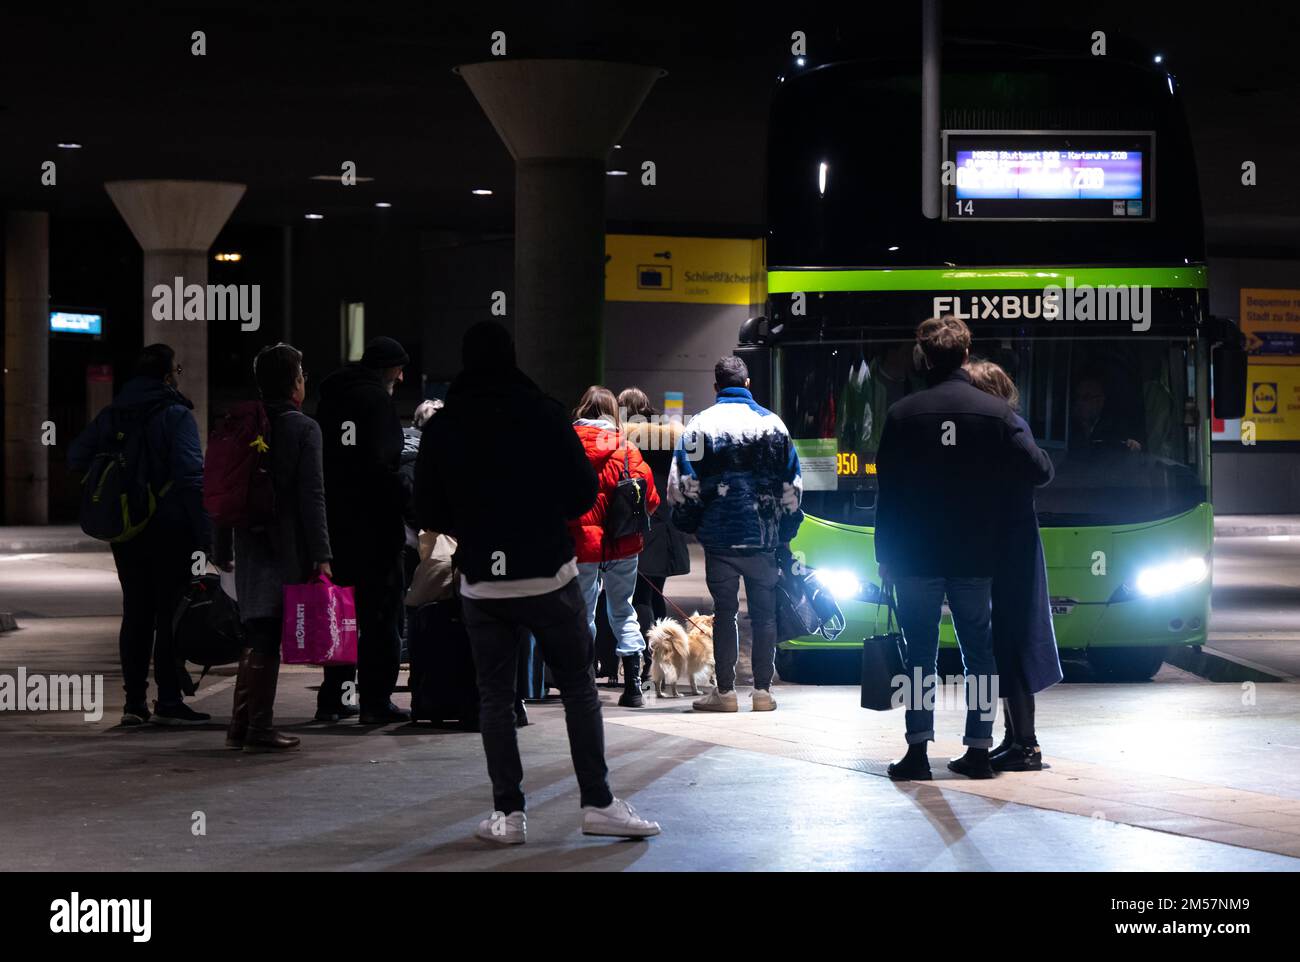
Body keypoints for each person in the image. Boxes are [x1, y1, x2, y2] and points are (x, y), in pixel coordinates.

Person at [414, 321, 660, 845]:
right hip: (550, 574)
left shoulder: (445, 427)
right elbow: (579, 496)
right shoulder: (546, 415)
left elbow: (428, 510)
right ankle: (598, 803)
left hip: (483, 582)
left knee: (496, 699)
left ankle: (509, 815)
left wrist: (477, 527)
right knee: (577, 688)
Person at [875, 316, 1054, 781]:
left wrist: (885, 556)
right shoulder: (996, 414)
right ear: (966, 356)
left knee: (919, 655)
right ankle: (978, 748)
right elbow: (1040, 470)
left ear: (922, 357)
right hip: (976, 556)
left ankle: (917, 751)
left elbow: (889, 496)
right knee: (980, 653)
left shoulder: (902, 415)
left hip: (916, 557)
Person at [68, 343, 212, 727]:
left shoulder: (113, 412)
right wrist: (206, 533)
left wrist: (114, 482)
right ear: (167, 375)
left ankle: (134, 703)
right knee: (168, 614)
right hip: (169, 528)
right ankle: (168, 700)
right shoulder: (175, 415)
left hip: (127, 529)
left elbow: (76, 457)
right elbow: (191, 476)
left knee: (135, 612)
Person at [667, 356, 803, 713]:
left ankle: (724, 692)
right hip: (763, 537)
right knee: (765, 615)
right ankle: (762, 692)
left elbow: (682, 483)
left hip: (720, 537)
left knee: (724, 612)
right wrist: (786, 529)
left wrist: (690, 523)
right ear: (747, 385)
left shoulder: (700, 425)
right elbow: (793, 484)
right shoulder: (773, 425)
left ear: (716, 388)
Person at [218, 343, 332, 752]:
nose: (305, 382)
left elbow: (220, 486)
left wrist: (220, 544)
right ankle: (260, 729)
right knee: (268, 635)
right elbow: (312, 496)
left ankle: (241, 723)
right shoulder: (304, 428)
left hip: (247, 541)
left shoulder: (241, 422)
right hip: (286, 546)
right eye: (301, 375)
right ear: (293, 384)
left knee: (256, 630)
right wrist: (322, 555)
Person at [965, 360, 1062, 772]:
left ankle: (1027, 744)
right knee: (1003, 643)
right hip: (1003, 543)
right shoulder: (996, 426)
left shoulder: (1008, 423)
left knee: (1015, 639)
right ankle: (1014, 738)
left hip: (1013, 547)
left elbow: (1042, 470)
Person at [314, 336, 411, 724]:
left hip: (336, 529)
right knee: (381, 618)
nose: (402, 378)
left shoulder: (331, 399)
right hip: (374, 530)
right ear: (387, 368)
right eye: (400, 369)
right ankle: (375, 702)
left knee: (341, 615)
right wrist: (407, 494)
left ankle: (334, 698)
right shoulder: (377, 402)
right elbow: (382, 467)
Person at [569, 386, 659, 708]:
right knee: (624, 609)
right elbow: (650, 500)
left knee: (582, 613)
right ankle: (633, 685)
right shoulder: (626, 448)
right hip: (623, 544)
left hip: (582, 544)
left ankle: (583, 681)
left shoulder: (568, 447)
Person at [619, 387, 690, 684]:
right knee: (656, 593)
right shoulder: (671, 436)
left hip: (641, 522)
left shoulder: (624, 439)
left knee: (640, 597)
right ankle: (665, 658)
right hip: (667, 524)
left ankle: (644, 660)